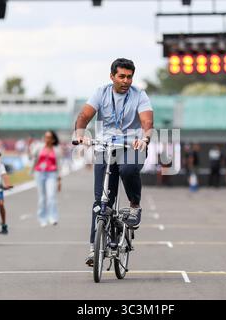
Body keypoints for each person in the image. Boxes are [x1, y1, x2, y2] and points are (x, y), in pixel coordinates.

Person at [74, 58, 153, 266]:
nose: (126, 81)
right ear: (112, 77)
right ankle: (94, 248)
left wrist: (144, 138)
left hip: (132, 146)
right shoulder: (101, 93)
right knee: (101, 201)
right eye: (121, 76)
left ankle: (134, 205)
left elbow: (147, 121)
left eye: (129, 77)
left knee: (128, 169)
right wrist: (81, 134)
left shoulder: (139, 95)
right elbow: (84, 115)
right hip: (105, 147)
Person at [30, 130, 62, 227]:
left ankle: (53, 217)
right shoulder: (39, 147)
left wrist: (59, 179)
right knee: (42, 198)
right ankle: (42, 218)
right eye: (45, 137)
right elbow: (32, 156)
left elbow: (59, 165)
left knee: (51, 196)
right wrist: (32, 148)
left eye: (49, 137)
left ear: (53, 139)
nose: (46, 139)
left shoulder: (57, 150)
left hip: (51, 174)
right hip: (39, 173)